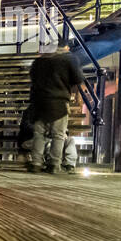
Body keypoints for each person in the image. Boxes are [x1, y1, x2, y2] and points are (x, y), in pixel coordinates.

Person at [28, 42, 84, 173]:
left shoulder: (38, 61)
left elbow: (32, 77)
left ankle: (36, 163)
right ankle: (54, 164)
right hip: (59, 100)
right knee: (58, 135)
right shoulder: (69, 58)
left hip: (38, 101)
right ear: (66, 47)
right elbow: (78, 78)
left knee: (39, 133)